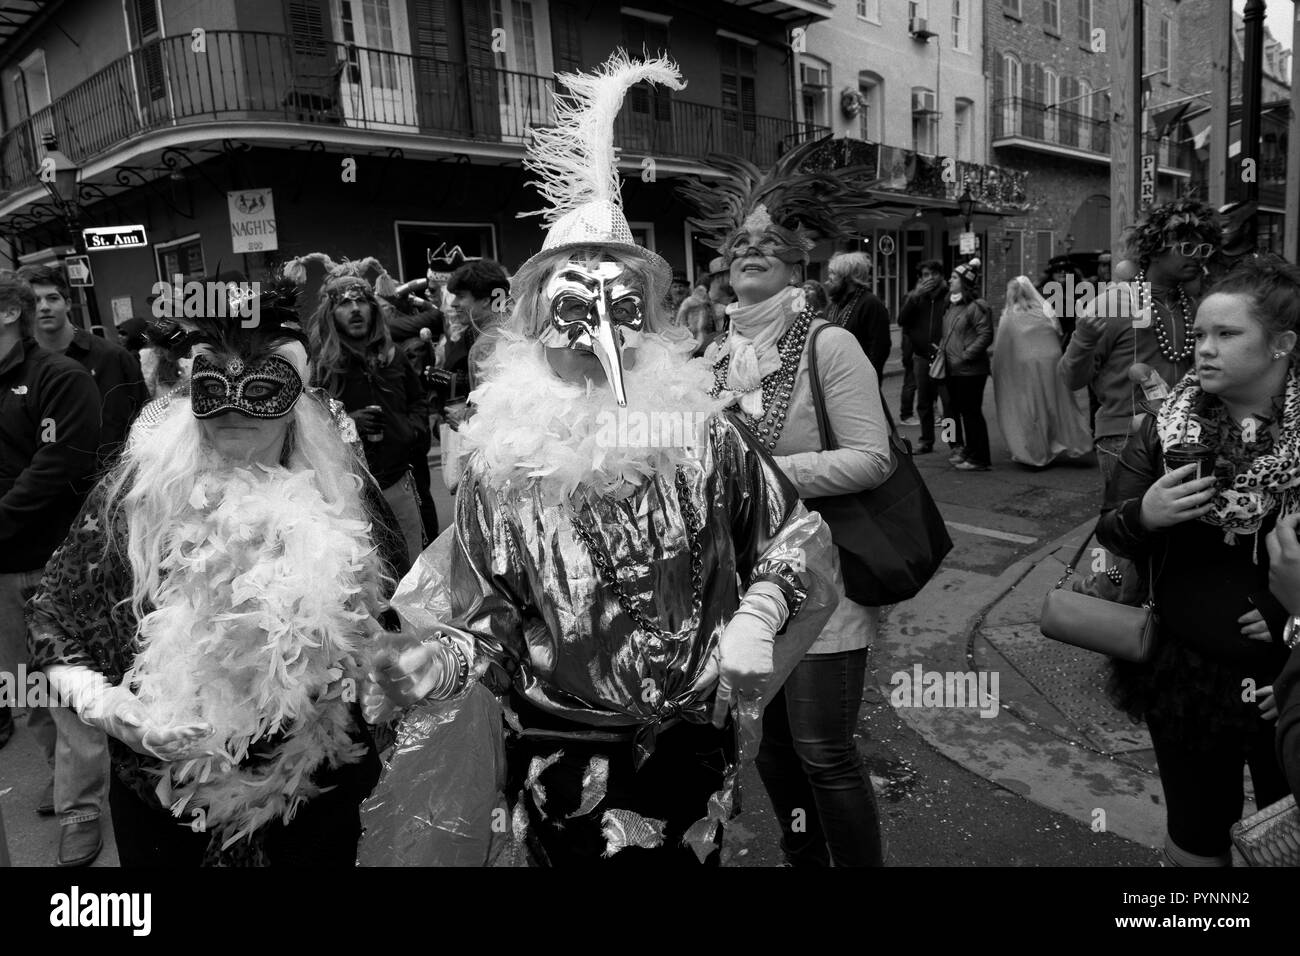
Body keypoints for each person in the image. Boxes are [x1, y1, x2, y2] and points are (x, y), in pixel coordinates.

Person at [363, 53, 839, 867]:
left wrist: (760, 613)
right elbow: (490, 620)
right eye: (575, 307)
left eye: (622, 307)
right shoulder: (501, 463)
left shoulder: (702, 434)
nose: (600, 330)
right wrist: (431, 664)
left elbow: (793, 538)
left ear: (649, 319)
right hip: (561, 747)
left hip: (691, 739)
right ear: (536, 318)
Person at [26, 283, 408, 867]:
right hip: (167, 795)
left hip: (314, 787)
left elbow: (398, 626)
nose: (233, 408)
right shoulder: (133, 501)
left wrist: (375, 672)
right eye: (212, 389)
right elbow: (53, 619)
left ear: (296, 401)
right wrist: (113, 711)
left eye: (259, 388)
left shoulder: (348, 502)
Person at [684, 132, 887, 867]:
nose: (751, 249)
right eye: (739, 242)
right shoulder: (709, 360)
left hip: (823, 582)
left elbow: (871, 458)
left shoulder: (829, 345)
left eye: (768, 242)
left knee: (824, 752)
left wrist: (764, 476)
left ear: (798, 258)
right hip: (741, 586)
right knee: (764, 749)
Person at [1098, 256, 1300, 866]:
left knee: (1284, 837)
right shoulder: (1166, 426)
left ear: (1281, 346)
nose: (1203, 350)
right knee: (1196, 828)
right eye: (1201, 335)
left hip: (1286, 679)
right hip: (1184, 673)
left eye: (1227, 335)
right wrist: (1146, 516)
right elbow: (1112, 530)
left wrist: (1292, 620)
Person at [0, 271, 103, 865]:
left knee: (68, 689)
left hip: (55, 564)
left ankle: (82, 806)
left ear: (7, 313)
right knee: (25, 690)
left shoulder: (59, 377)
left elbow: (55, 464)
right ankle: (59, 773)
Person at [1060, 198, 1219, 490]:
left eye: (1203, 249)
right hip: (1125, 438)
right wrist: (1082, 341)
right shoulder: (1113, 302)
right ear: (1155, 250)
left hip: (1184, 434)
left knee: (1176, 530)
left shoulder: (1194, 306)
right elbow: (1071, 379)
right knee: (1132, 529)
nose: (1197, 257)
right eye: (1186, 248)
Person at [300, 255, 431, 566]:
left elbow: (417, 401)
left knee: (413, 569)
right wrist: (349, 424)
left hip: (398, 481)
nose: (355, 309)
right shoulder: (319, 367)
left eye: (361, 302)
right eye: (344, 304)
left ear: (373, 309)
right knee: (367, 572)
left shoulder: (393, 355)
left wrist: (412, 432)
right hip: (349, 491)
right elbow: (308, 427)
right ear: (332, 314)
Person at [21, 264, 149, 470]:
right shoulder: (20, 367)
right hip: (48, 488)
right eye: (35, 300)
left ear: (68, 303)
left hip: (112, 482)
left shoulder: (113, 357)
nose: (44, 306)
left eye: (52, 298)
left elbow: (146, 419)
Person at [992, 276, 1093, 467]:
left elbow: (1002, 348)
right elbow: (1057, 331)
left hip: (1025, 367)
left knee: (1031, 406)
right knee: (1055, 403)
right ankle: (1066, 441)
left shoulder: (1010, 315)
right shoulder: (1044, 310)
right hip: (1051, 362)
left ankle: (1036, 450)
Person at [941, 258, 993, 471]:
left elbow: (986, 334)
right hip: (953, 369)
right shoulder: (952, 305)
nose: (949, 280)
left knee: (972, 413)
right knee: (958, 411)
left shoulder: (977, 306)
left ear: (964, 282)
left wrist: (966, 355)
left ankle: (979, 457)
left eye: (954, 277)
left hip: (970, 370)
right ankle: (966, 449)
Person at [898, 259, 949, 453]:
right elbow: (902, 320)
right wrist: (914, 297)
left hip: (944, 357)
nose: (930, 279)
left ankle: (954, 443)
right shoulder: (915, 297)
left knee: (948, 403)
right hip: (921, 356)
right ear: (920, 279)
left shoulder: (949, 296)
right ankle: (926, 441)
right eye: (926, 275)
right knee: (924, 403)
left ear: (941, 275)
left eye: (934, 274)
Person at [825, 251, 890, 381]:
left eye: (834, 274)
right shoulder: (834, 305)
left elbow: (879, 349)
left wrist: (866, 380)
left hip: (857, 382)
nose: (828, 279)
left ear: (849, 278)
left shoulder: (871, 304)